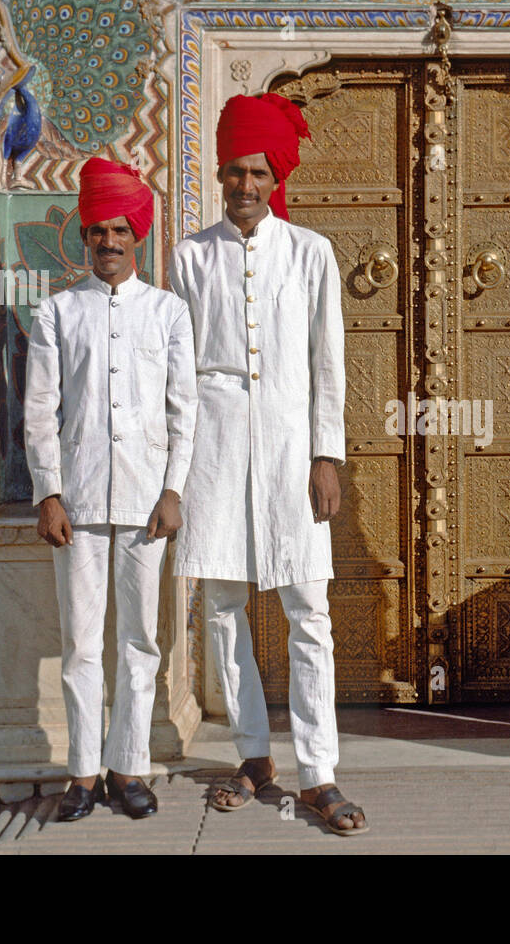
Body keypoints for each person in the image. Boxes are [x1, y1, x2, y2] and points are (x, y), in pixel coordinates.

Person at [169, 93, 366, 836]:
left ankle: (319, 773)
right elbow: (179, 370)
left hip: (290, 451)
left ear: (274, 177)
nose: (244, 186)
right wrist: (177, 472)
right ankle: (253, 757)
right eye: (232, 173)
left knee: (307, 610)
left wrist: (326, 455)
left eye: (256, 172)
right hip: (214, 451)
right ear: (220, 177)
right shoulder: (191, 256)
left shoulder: (310, 251)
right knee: (221, 605)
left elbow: (327, 364)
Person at [24, 158, 197, 822]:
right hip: (80, 505)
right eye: (97, 232)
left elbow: (185, 411)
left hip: (148, 503)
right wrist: (49, 494)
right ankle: (82, 773)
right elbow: (41, 411)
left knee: (140, 641)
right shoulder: (59, 312)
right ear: (84, 238)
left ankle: (130, 769)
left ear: (138, 236)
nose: (109, 243)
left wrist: (174, 490)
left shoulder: (168, 313)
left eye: (120, 232)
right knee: (81, 644)